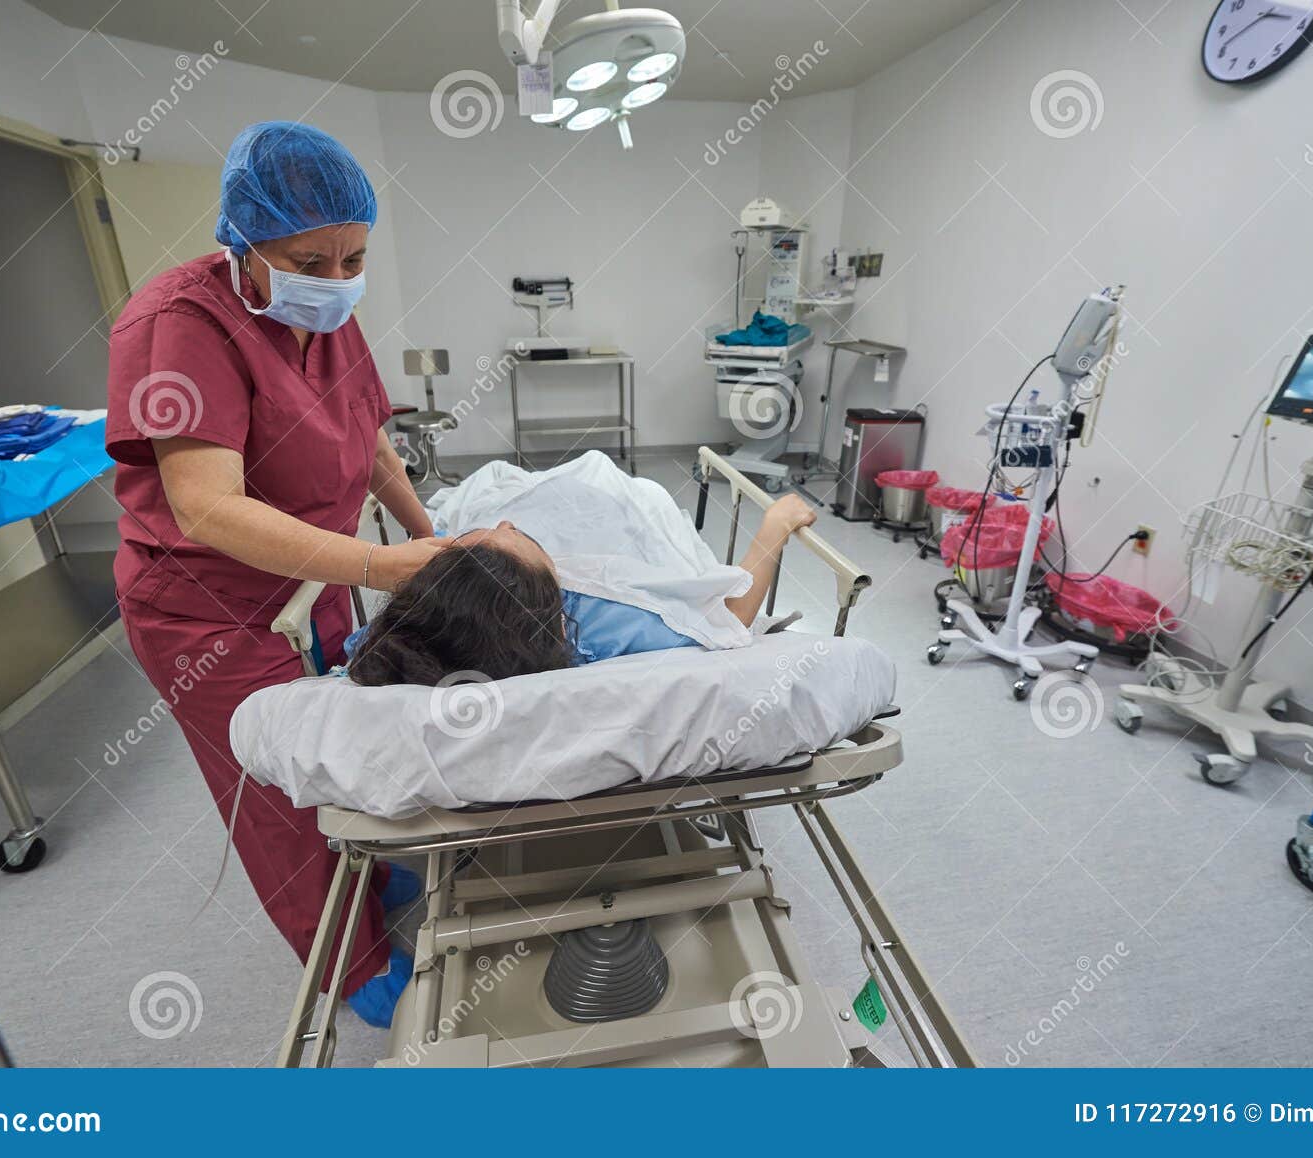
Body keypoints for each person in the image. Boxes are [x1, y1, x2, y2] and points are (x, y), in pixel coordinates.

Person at [104, 121, 446, 1027]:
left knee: (342, 741)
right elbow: (206, 507)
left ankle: (369, 873)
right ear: (244, 243)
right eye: (310, 261)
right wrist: (380, 562)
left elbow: (367, 433)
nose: (337, 282)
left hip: (313, 579)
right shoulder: (178, 326)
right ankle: (349, 963)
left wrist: (427, 534)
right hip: (208, 611)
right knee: (278, 794)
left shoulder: (322, 308)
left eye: (353, 260)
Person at [349, 495, 817, 687]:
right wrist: (775, 524)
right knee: (641, 495)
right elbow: (730, 620)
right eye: (513, 535)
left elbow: (360, 649)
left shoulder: (416, 624)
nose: (507, 520)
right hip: (601, 507)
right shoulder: (608, 621)